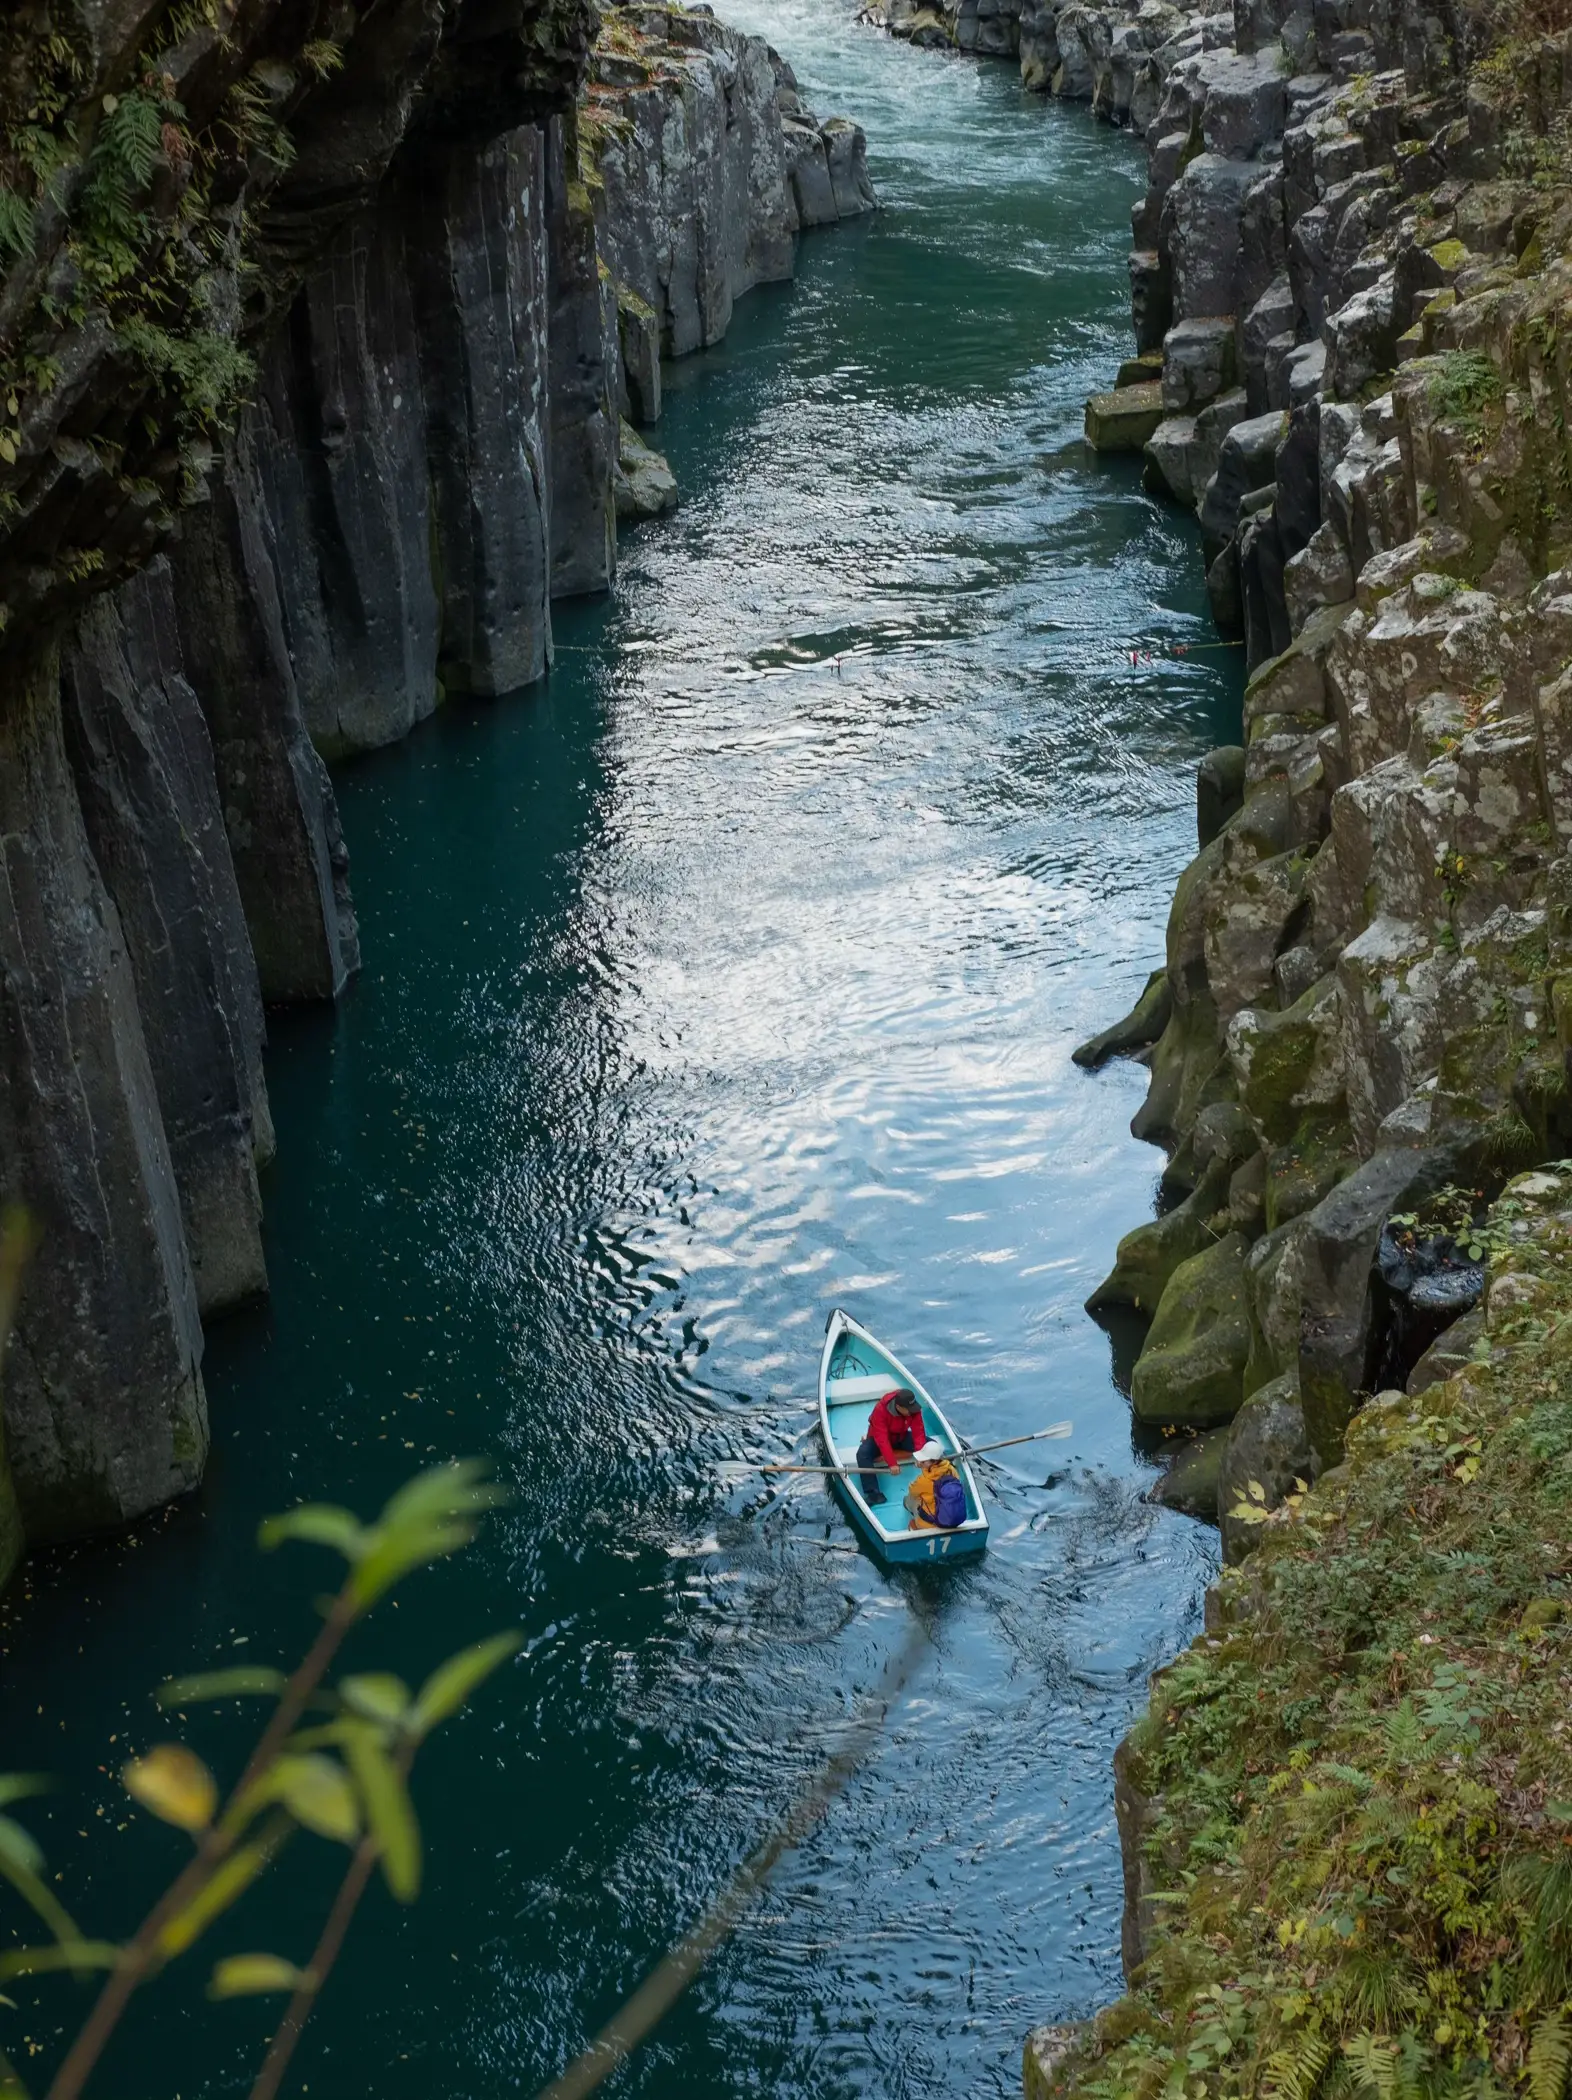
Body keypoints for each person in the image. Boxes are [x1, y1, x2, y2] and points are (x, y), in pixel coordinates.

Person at [855, 1387, 925, 1505]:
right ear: (898, 1407)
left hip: (901, 1436)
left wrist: (921, 1456)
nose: (912, 1412)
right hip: (878, 1438)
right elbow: (882, 1440)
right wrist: (892, 1463)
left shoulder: (913, 1409)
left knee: (930, 1446)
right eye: (909, 1410)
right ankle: (873, 1494)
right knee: (863, 1454)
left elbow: (918, 1432)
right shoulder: (880, 1410)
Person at [905, 1441, 965, 1530]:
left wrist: (920, 1468)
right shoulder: (951, 1469)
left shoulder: (923, 1481)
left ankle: (915, 1527)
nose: (920, 1462)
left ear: (934, 1461)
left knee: (909, 1499)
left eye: (923, 1461)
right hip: (950, 1518)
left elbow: (912, 1491)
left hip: (929, 1523)